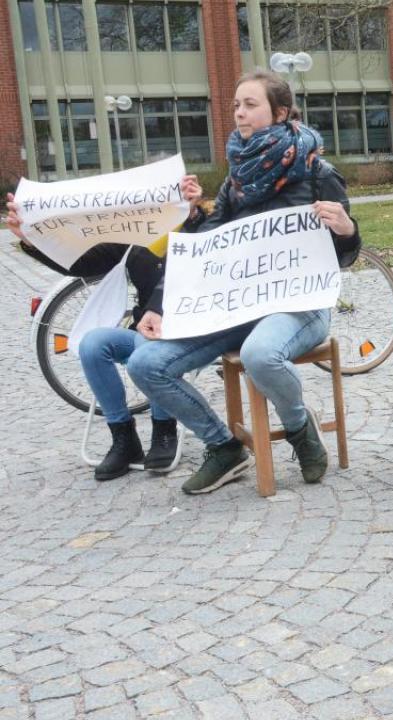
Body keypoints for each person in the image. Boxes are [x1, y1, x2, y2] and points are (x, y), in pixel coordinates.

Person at [126, 69, 360, 495]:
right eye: (236, 105)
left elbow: (345, 257)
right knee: (146, 364)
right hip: (235, 306)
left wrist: (346, 228)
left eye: (250, 104)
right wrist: (158, 304)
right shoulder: (238, 179)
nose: (239, 113)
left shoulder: (315, 172)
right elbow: (203, 249)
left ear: (280, 112)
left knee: (260, 353)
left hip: (298, 307)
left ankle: (297, 427)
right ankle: (223, 447)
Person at [2, 231, 177, 480]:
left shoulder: (198, 225)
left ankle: (164, 430)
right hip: (143, 329)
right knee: (92, 344)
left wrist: (192, 214)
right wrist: (33, 242)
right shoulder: (140, 233)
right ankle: (123, 436)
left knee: (148, 346)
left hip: (180, 331)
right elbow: (82, 264)